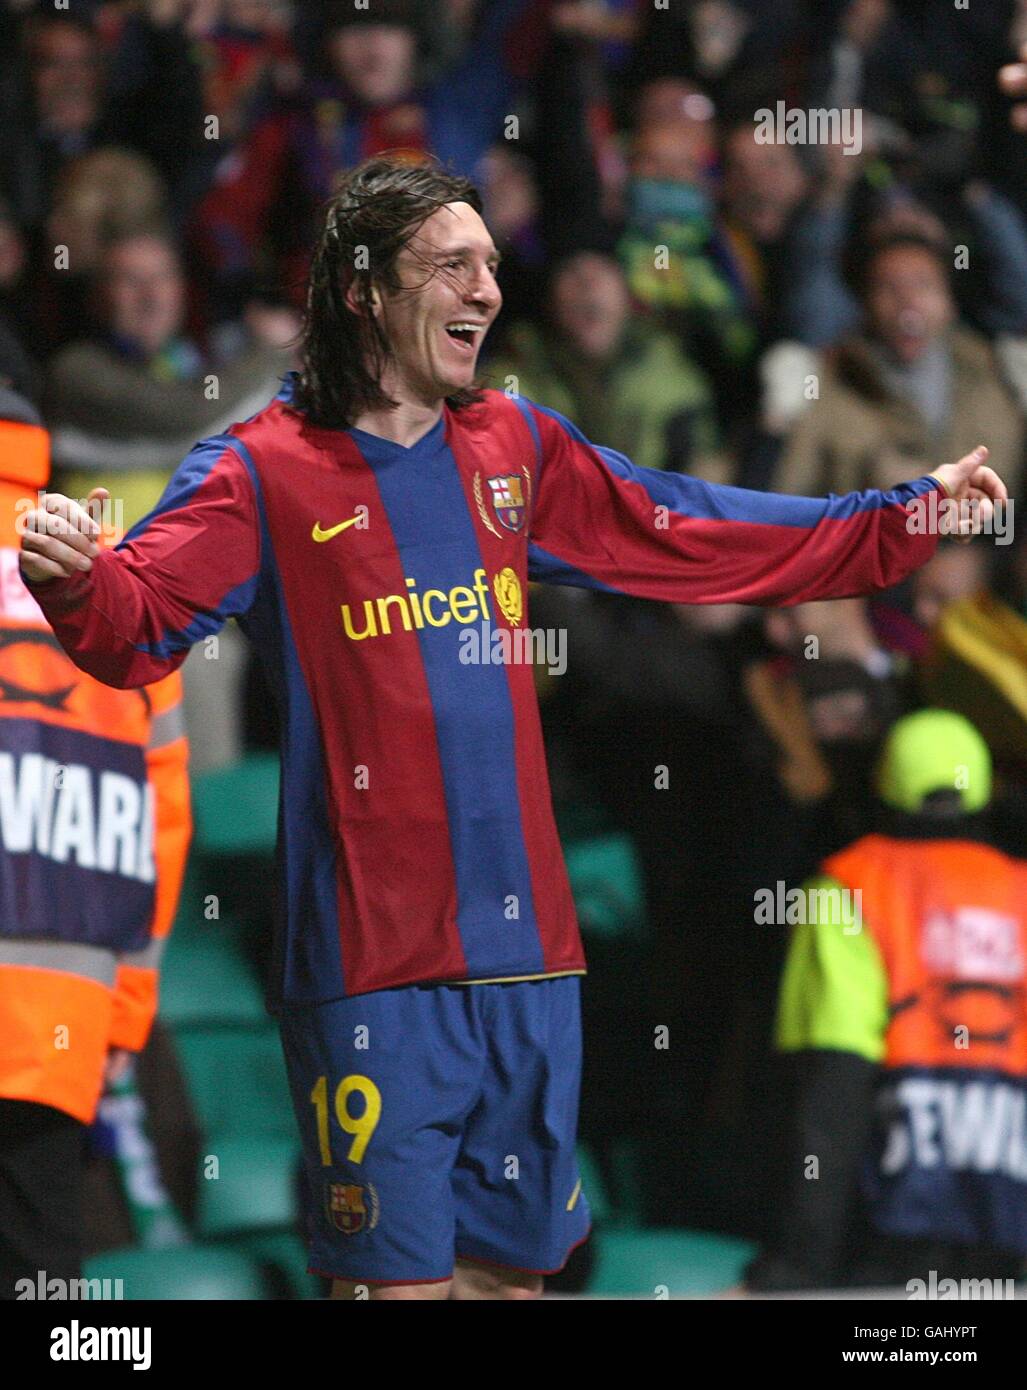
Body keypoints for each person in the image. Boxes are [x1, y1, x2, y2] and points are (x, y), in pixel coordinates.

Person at [17, 155, 1006, 1301]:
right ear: (362, 287)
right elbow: (135, 632)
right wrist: (80, 580)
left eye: (491, 264)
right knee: (393, 1291)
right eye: (452, 265)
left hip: (528, 957)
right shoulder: (259, 470)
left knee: (509, 1285)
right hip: (371, 966)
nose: (487, 290)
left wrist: (897, 519)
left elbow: (689, 531)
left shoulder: (516, 447)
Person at [0, 387, 190, 1299]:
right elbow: (166, 815)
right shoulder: (107, 579)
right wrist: (124, 1014)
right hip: (62, 1015)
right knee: (45, 1282)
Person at [746, 710, 1027, 1291]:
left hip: (887, 1231)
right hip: (1010, 1233)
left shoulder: (850, 886)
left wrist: (794, 1269)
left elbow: (830, 1092)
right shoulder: (1019, 892)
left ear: (882, 787)